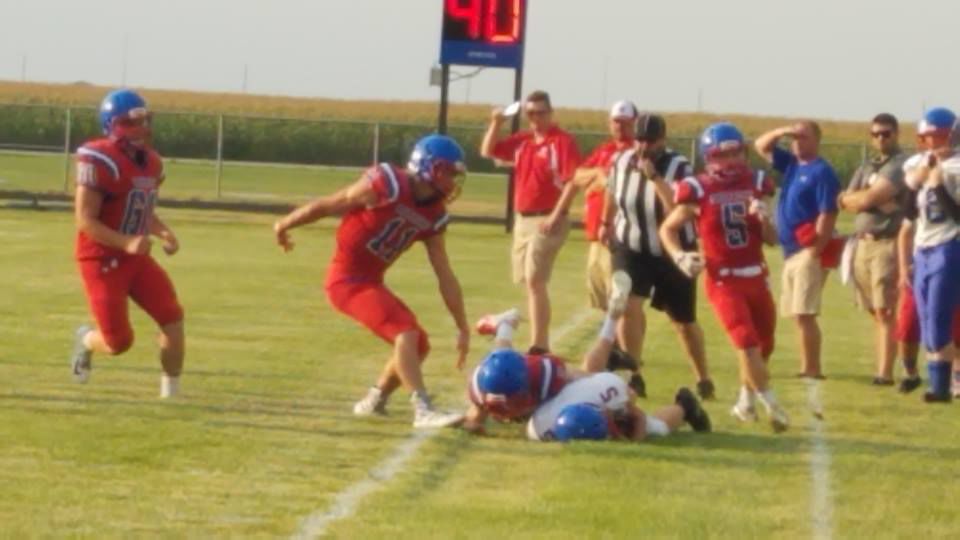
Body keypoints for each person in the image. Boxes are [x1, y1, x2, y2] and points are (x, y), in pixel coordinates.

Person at [273, 134, 470, 428]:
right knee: (406, 332)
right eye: (448, 172)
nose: (452, 181)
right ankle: (423, 409)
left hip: (370, 280)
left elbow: (444, 271)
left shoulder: (435, 214)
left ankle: (375, 399)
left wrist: (462, 324)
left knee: (419, 345)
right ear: (427, 166)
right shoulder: (386, 184)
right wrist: (284, 224)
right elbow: (329, 204)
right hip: (345, 280)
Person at [661, 122, 789, 433]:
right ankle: (773, 406)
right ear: (709, 158)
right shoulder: (698, 188)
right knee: (745, 343)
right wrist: (679, 256)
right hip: (723, 279)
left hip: (757, 275)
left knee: (764, 345)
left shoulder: (758, 182)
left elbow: (773, 239)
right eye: (724, 155)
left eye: (736, 153)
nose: (732, 161)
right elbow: (667, 228)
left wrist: (764, 218)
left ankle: (745, 401)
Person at [70, 89, 185, 398]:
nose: (141, 130)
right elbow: (85, 219)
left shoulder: (152, 163)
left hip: (134, 258)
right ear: (112, 125)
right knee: (118, 343)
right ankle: (85, 340)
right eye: (131, 123)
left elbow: (140, 208)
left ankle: (171, 398)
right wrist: (126, 242)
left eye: (144, 121)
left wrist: (163, 232)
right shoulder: (100, 158)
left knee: (172, 317)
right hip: (101, 258)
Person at [462, 307, 710, 441]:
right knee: (655, 428)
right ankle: (504, 326)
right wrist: (473, 423)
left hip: (582, 389)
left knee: (590, 374)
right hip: (553, 398)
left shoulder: (544, 373)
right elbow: (475, 418)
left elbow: (628, 396)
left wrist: (628, 417)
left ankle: (610, 327)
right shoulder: (481, 390)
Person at [598, 113, 713, 399]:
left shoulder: (679, 166)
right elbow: (611, 193)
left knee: (683, 322)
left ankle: (703, 377)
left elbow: (678, 209)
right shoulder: (621, 161)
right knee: (627, 304)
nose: (644, 146)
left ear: (663, 139)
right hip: (631, 244)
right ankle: (633, 373)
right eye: (639, 139)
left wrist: (654, 177)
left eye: (650, 140)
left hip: (671, 250)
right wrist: (605, 222)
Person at [481, 90, 581, 354]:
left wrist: (556, 215)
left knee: (535, 280)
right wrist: (496, 122)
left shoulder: (561, 142)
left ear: (550, 113)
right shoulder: (524, 141)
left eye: (540, 112)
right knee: (528, 281)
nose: (535, 118)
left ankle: (539, 343)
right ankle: (537, 337)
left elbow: (573, 181)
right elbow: (488, 150)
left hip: (548, 217)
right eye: (531, 113)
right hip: (523, 219)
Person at [755, 121, 841, 379]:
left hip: (807, 251)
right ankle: (807, 365)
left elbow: (828, 213)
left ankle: (811, 369)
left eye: (803, 137)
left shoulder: (822, 171)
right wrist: (781, 131)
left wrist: (816, 249)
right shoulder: (792, 163)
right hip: (790, 251)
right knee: (795, 312)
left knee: (804, 311)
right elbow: (761, 145)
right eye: (795, 138)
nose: (797, 142)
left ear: (816, 141)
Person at [837, 114, 910, 385]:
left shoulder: (900, 164)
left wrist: (863, 199)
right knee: (873, 311)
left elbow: (868, 197)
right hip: (862, 242)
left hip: (886, 242)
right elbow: (843, 199)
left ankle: (885, 373)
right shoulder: (868, 164)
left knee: (885, 310)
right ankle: (887, 365)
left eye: (886, 133)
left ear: (896, 133)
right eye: (876, 134)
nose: (881, 138)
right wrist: (861, 199)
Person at [901, 107, 960, 402]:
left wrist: (937, 186)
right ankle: (939, 386)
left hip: (950, 246)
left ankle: (942, 387)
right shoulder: (919, 163)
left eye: (936, 136)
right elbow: (909, 213)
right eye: (926, 137)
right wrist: (917, 182)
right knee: (926, 321)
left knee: (938, 318)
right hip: (922, 248)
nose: (931, 143)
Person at [576, 100, 639, 313]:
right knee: (600, 295)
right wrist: (597, 175)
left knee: (620, 299)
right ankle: (610, 342)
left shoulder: (636, 152)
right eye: (616, 122)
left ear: (634, 123)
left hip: (617, 235)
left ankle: (621, 344)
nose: (619, 126)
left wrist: (602, 183)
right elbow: (577, 176)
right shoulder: (604, 150)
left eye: (624, 122)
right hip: (595, 233)